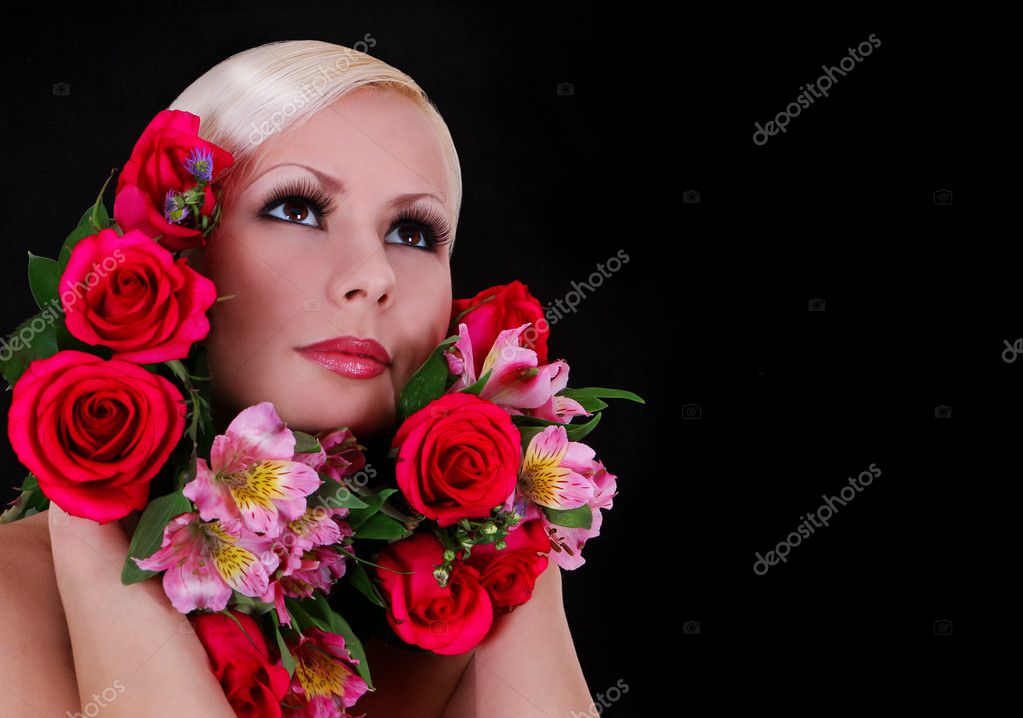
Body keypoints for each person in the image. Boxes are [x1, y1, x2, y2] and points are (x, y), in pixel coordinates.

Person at [0, 40, 593, 717]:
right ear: (173, 248)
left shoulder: (452, 617)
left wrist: (514, 504)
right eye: (296, 209)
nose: (372, 276)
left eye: (411, 231)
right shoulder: (8, 595)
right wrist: (88, 516)